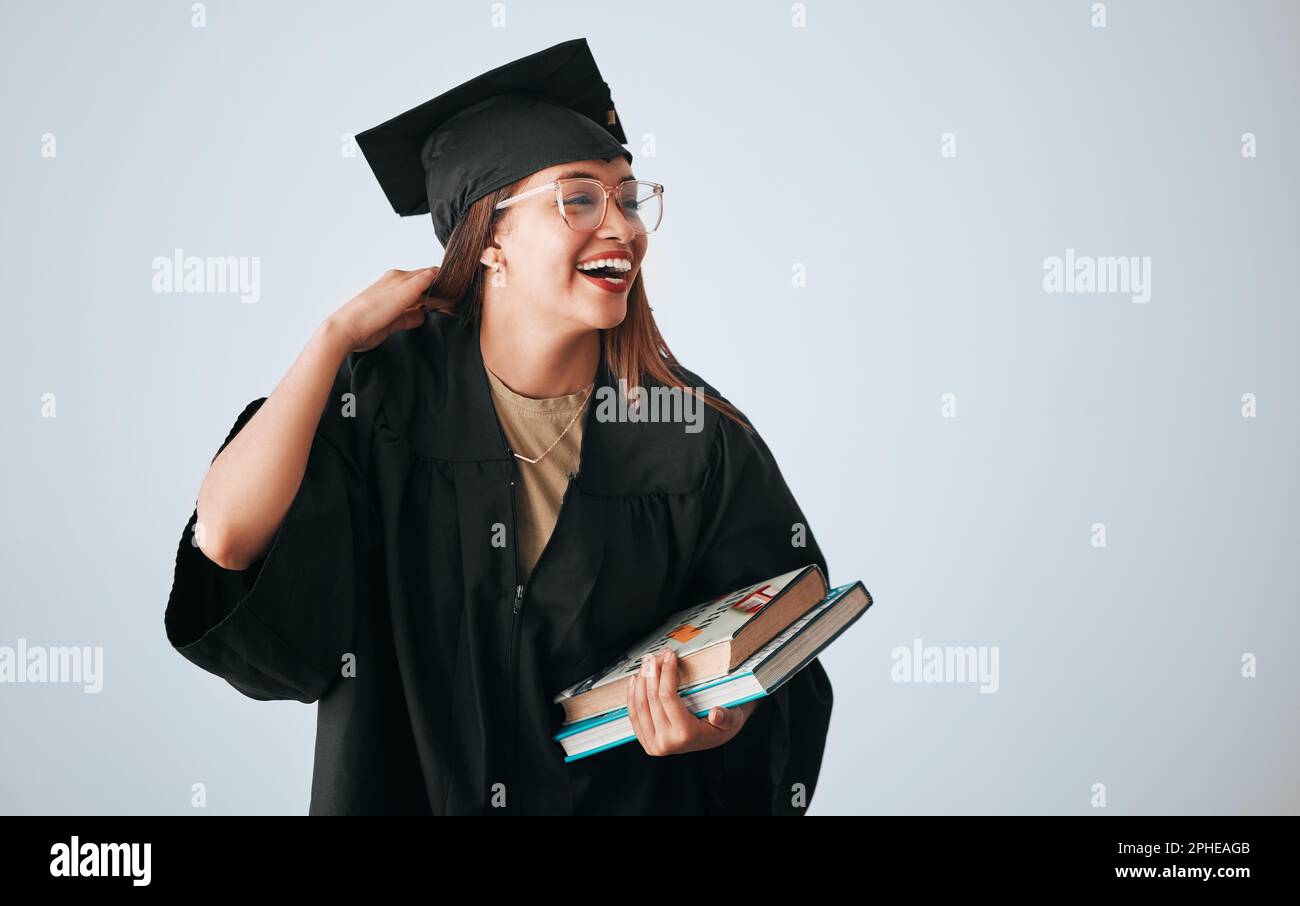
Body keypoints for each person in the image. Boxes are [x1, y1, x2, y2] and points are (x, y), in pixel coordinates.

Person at [163, 38, 833, 815]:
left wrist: (721, 725)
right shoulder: (380, 401)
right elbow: (226, 538)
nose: (622, 226)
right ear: (489, 240)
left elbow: (784, 659)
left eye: (628, 197)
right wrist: (334, 337)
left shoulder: (689, 434)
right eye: (579, 198)